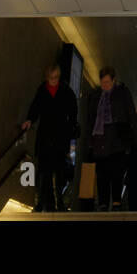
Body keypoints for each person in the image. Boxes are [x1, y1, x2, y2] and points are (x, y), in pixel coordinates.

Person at [21, 62, 79, 212]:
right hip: (46, 136)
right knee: (43, 170)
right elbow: (35, 107)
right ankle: (41, 202)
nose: (53, 80)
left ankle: (58, 202)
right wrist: (30, 119)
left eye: (56, 78)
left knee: (58, 170)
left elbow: (73, 113)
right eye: (51, 78)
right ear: (47, 77)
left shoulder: (66, 92)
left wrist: (70, 128)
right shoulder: (43, 91)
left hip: (60, 136)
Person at [86, 66, 137, 210]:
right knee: (102, 171)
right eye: (102, 82)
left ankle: (116, 201)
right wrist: (90, 140)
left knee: (116, 170)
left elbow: (131, 114)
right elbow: (91, 118)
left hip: (117, 135)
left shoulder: (122, 93)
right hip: (100, 137)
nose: (105, 85)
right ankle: (103, 202)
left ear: (114, 80)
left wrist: (132, 138)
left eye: (107, 82)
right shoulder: (97, 95)